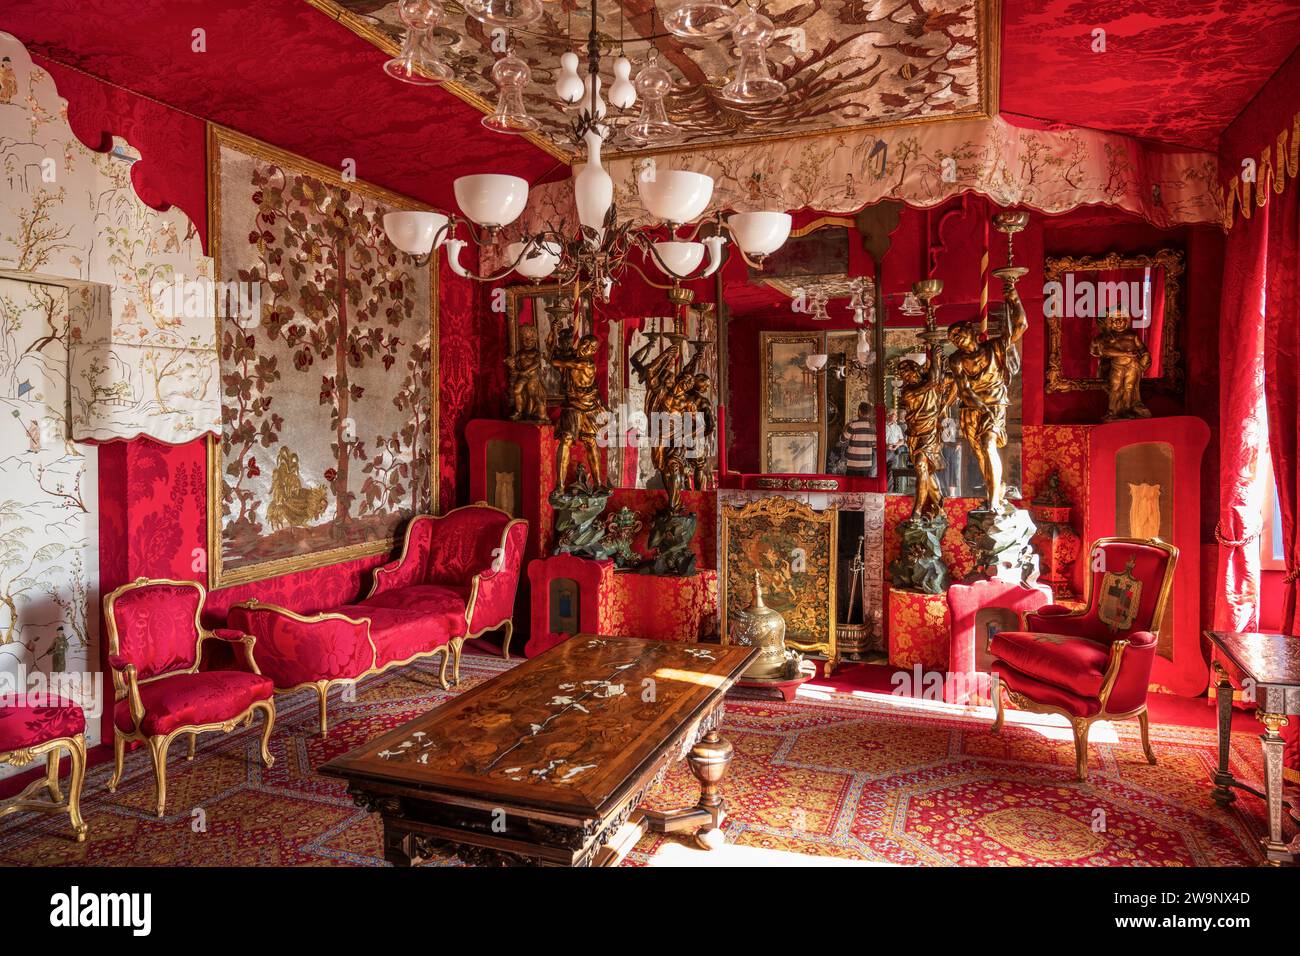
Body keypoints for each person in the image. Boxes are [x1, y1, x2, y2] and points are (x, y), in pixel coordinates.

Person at [839, 402, 876, 477]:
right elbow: (874, 444)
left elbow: (843, 439)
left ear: (859, 411)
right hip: (866, 463)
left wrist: (845, 427)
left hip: (853, 462)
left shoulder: (853, 425)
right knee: (864, 486)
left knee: (852, 486)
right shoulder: (873, 427)